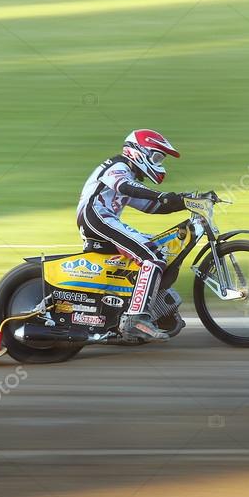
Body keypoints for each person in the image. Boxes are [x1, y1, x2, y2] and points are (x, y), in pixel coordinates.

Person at [76, 129, 186, 341]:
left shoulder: (129, 174)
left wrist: (186, 200)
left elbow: (152, 206)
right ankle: (135, 319)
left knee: (158, 248)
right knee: (153, 256)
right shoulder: (118, 166)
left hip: (105, 219)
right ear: (138, 152)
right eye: (156, 156)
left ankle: (143, 307)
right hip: (96, 217)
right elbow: (127, 187)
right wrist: (163, 196)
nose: (159, 163)